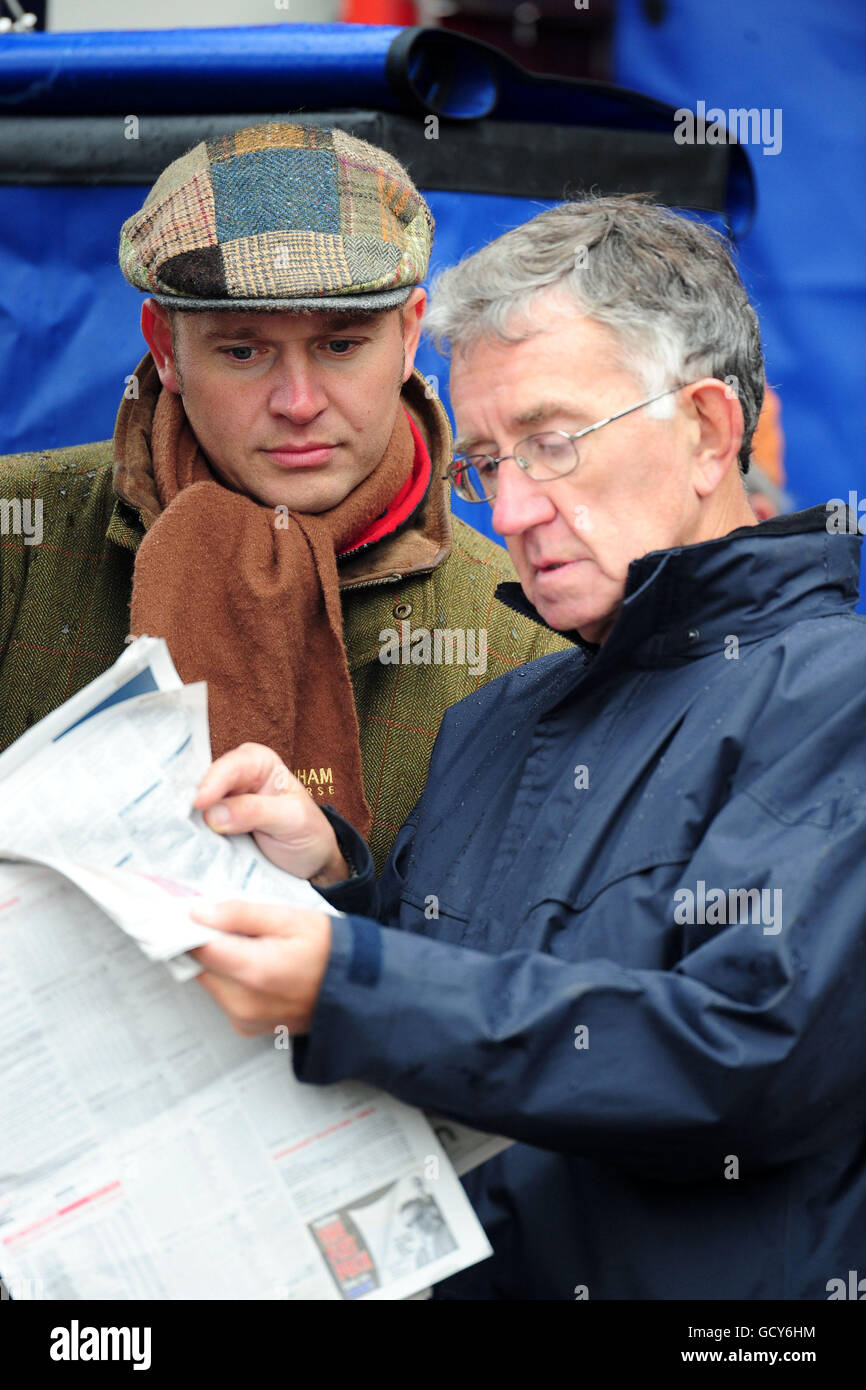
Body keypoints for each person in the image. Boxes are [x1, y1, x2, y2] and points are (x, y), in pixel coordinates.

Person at [185, 194, 866, 1301]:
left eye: (552, 444)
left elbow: (748, 1053)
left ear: (704, 431)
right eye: (485, 464)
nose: (510, 510)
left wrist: (348, 981)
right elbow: (453, 1015)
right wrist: (328, 887)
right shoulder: (493, 721)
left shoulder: (832, 694)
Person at [0, 121, 569, 871]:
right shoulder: (18, 544)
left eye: (340, 346)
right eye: (245, 350)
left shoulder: (524, 642)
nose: (298, 402)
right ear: (165, 348)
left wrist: (339, 894)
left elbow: (488, 968)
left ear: (408, 334)